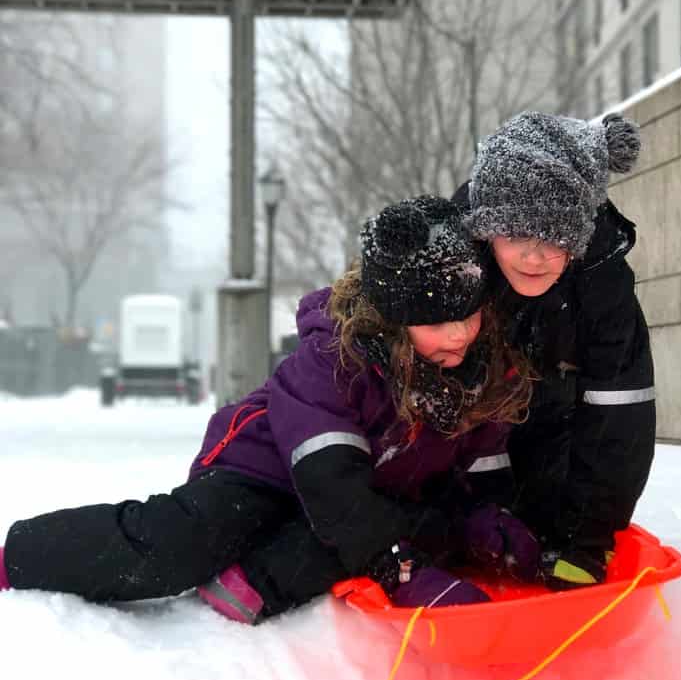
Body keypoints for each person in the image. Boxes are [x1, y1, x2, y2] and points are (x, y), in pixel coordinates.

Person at [0, 197, 541, 623]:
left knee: (387, 530)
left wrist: (492, 529)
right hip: (266, 469)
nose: (459, 336)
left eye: (468, 317)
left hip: (365, 492)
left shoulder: (479, 370)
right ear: (395, 320)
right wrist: (402, 571)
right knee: (180, 545)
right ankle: (19, 555)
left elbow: (477, 478)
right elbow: (334, 490)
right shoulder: (333, 360)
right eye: (436, 323)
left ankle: (250, 583)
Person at [454, 110, 655, 588]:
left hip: (559, 416)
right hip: (484, 425)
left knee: (552, 511)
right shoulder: (458, 275)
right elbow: (447, 409)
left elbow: (618, 418)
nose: (534, 256)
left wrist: (586, 541)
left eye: (556, 237)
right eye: (517, 234)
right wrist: (476, 517)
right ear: (486, 229)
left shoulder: (603, 287)